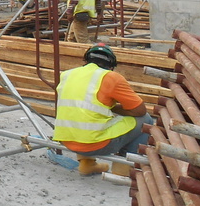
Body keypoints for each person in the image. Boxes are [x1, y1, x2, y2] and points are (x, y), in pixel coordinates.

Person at [52, 43, 153, 176]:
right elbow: (140, 111)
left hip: (66, 140)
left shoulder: (67, 74)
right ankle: (123, 169)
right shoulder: (110, 77)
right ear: (111, 66)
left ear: (86, 61)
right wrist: (113, 108)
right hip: (94, 145)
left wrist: (107, 108)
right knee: (146, 120)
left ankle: (87, 164)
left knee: (87, 117)